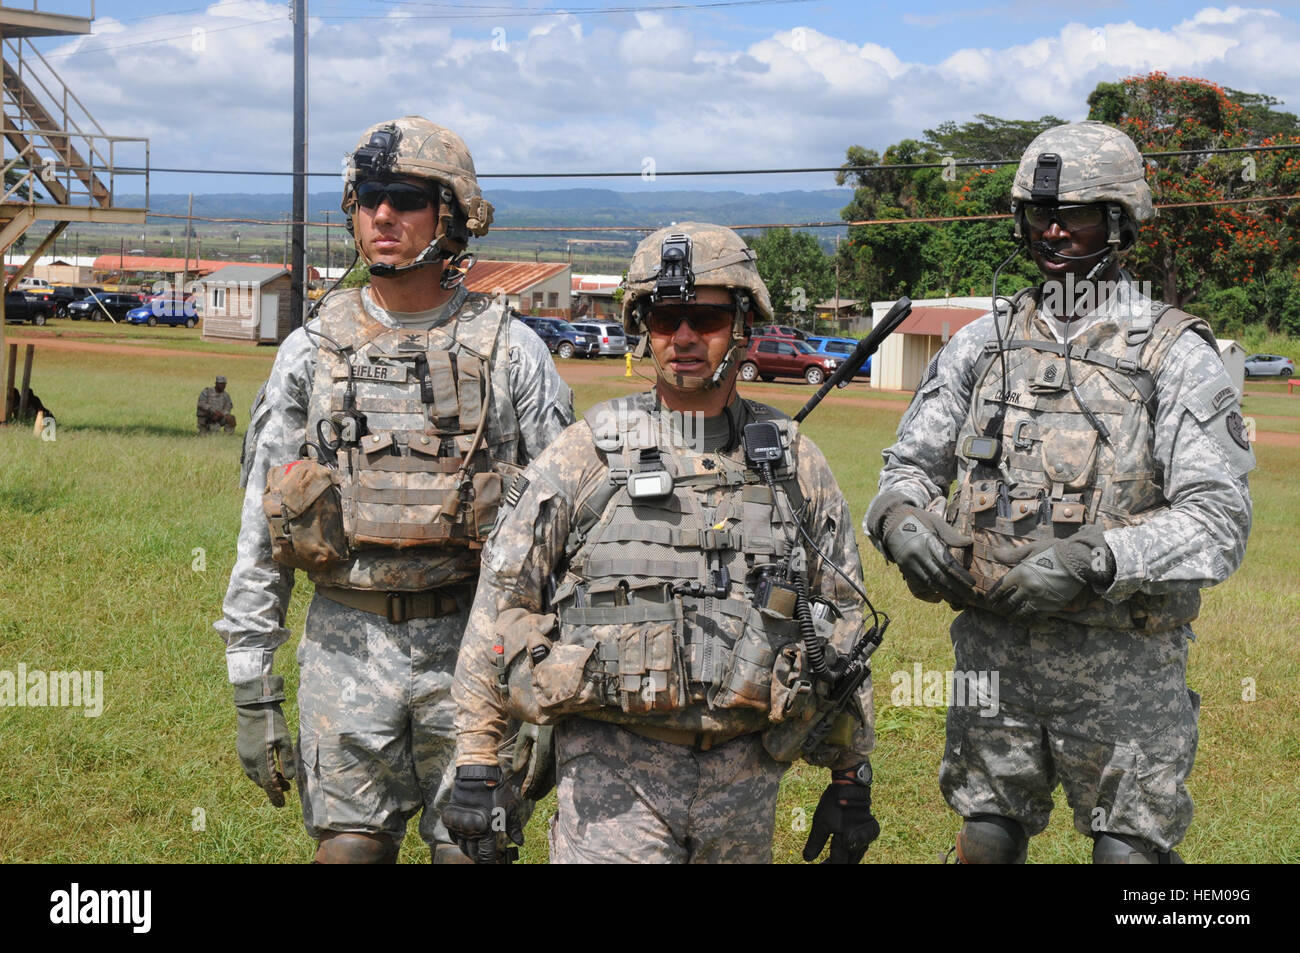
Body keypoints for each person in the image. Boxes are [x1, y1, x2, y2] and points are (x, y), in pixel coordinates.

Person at [863, 121, 1254, 864]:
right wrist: (902, 520)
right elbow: (906, 467)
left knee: (1126, 854)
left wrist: (1096, 557)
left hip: (1122, 667)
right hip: (993, 655)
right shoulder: (984, 345)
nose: (1052, 229)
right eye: (1038, 213)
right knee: (984, 838)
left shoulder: (1172, 353)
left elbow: (1219, 520)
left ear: (1118, 219)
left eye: (1074, 213)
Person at [446, 222, 881, 864]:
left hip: (746, 775)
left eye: (703, 318)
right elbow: (499, 607)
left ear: (742, 324)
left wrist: (852, 776)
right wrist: (479, 761)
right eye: (663, 316)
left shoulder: (793, 463)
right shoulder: (586, 453)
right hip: (612, 776)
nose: (681, 338)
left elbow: (844, 619)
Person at [215, 116, 574, 863]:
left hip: (477, 651)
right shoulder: (310, 352)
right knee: (347, 852)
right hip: (345, 645)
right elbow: (262, 527)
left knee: (471, 850)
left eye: (406, 198)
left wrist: (552, 687)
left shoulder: (513, 353)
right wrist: (253, 684)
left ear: (453, 215)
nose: (383, 215)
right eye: (369, 197)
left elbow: (565, 540)